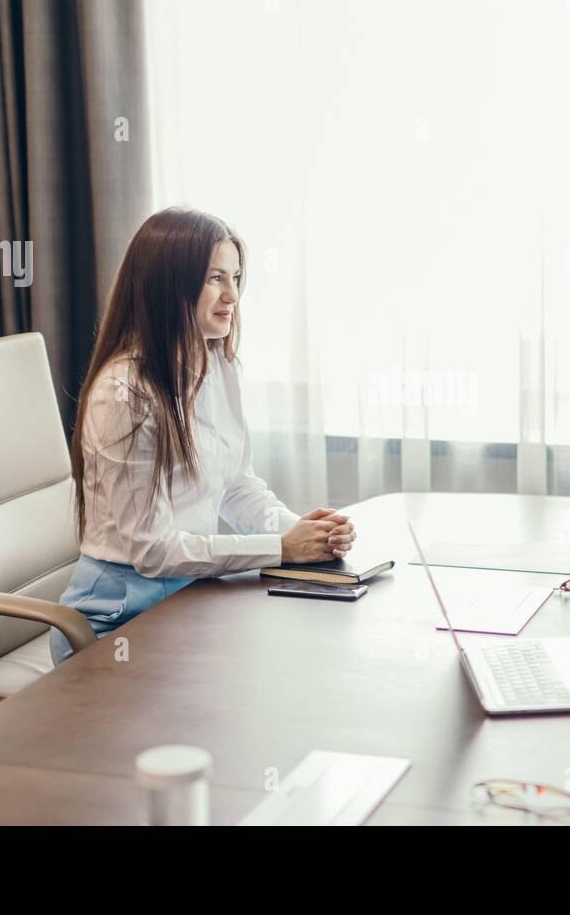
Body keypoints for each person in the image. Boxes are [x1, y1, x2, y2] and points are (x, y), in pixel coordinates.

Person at [50, 207, 355, 665]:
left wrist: (302, 534)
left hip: (186, 600)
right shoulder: (123, 394)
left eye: (235, 277)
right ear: (168, 284)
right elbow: (152, 550)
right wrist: (279, 548)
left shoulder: (218, 366)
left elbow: (237, 487)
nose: (232, 294)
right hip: (116, 623)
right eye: (215, 277)